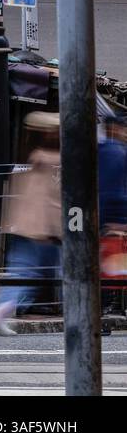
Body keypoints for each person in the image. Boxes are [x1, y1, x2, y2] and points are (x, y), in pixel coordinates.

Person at [0, 112, 63, 336]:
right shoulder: (53, 161)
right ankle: (83, 316)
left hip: (22, 225)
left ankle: (0, 313)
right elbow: (52, 200)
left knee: (22, 271)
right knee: (50, 272)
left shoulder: (32, 157)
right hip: (43, 229)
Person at [99, 116, 127, 315]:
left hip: (108, 217)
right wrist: (117, 220)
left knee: (111, 264)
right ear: (115, 129)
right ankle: (108, 309)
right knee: (112, 264)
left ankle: (108, 309)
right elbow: (113, 190)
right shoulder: (115, 151)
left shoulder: (104, 150)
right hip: (115, 218)